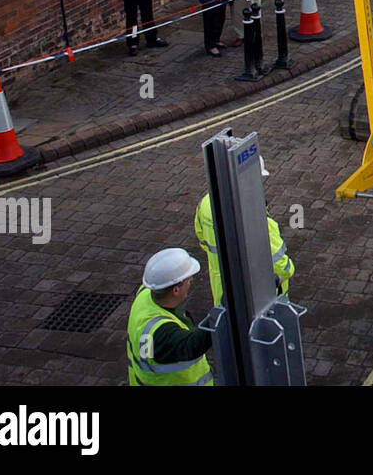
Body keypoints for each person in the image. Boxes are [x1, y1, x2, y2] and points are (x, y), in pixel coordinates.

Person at [194, 155, 295, 305]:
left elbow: (202, 238)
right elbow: (280, 264)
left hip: (222, 290)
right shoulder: (257, 218)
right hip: (259, 296)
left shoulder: (207, 203)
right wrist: (288, 271)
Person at [126, 248, 213, 386]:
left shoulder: (145, 293)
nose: (191, 281)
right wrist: (220, 313)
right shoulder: (162, 335)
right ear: (175, 290)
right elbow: (193, 345)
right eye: (187, 280)